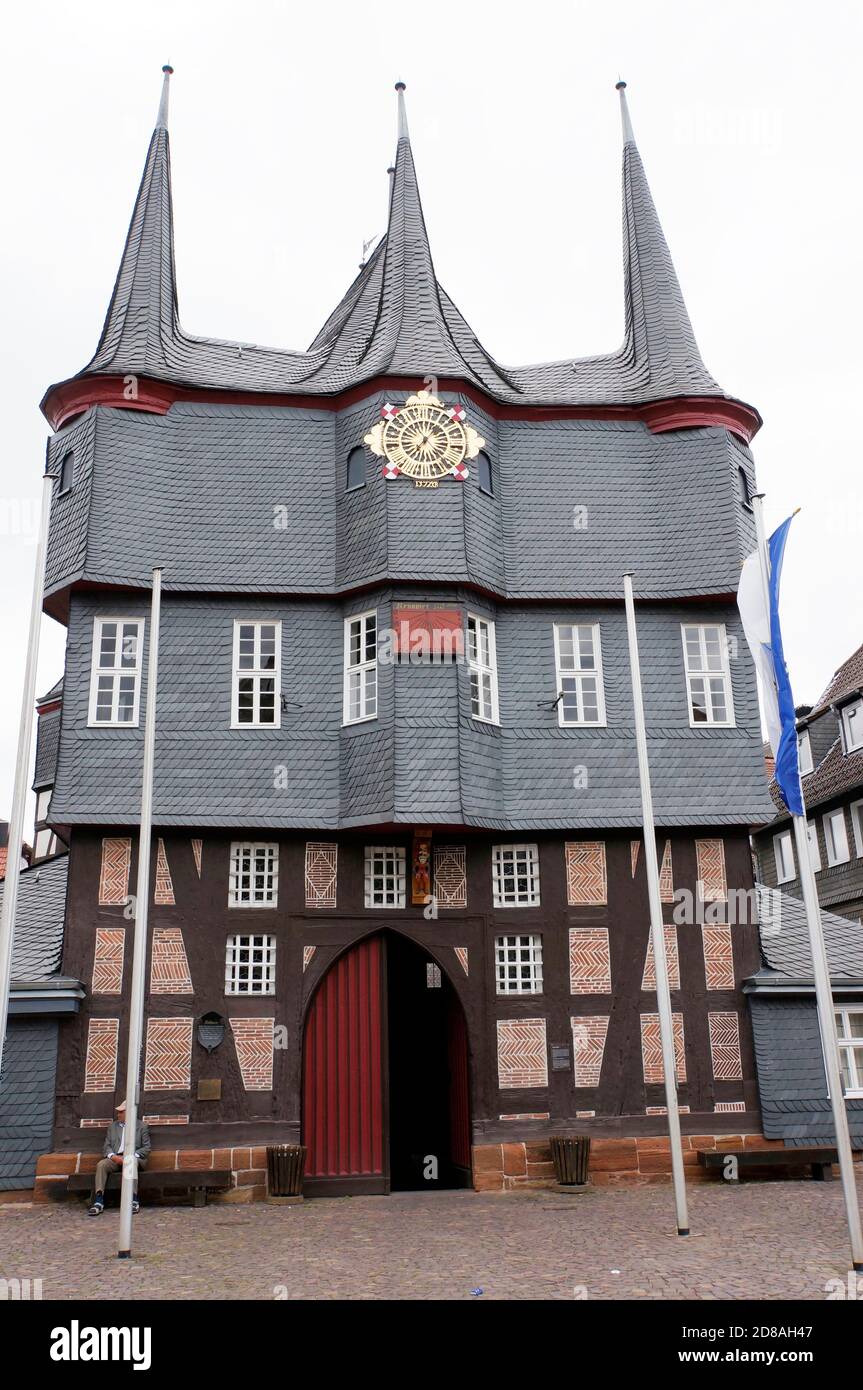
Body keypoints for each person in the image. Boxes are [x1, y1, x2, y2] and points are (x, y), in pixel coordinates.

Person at [88, 1101, 151, 1216]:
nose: (118, 1115)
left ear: (130, 1113)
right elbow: (106, 1146)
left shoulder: (142, 1126)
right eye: (118, 1112)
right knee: (101, 1165)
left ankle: (133, 1199)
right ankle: (99, 1200)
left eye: (121, 1112)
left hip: (133, 1157)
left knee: (130, 1162)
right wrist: (113, 1156)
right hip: (116, 1158)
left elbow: (146, 1148)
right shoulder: (113, 1127)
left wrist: (131, 1156)